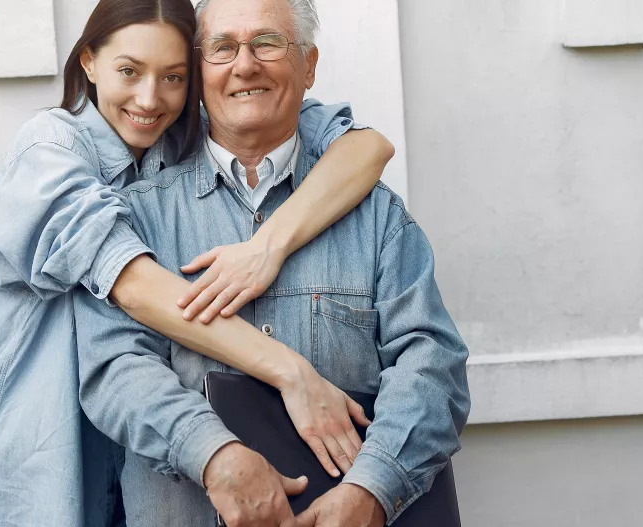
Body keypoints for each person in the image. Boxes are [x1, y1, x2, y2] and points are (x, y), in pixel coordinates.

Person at [0, 0, 395, 526]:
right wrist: (291, 373)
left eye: (173, 76)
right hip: (18, 475)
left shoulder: (170, 143)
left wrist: (270, 245)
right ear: (88, 62)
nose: (149, 98)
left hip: (120, 483)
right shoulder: (47, 153)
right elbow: (137, 289)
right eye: (128, 71)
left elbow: (366, 149)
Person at [72, 0, 471, 525]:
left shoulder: (376, 215)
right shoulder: (137, 215)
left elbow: (432, 361)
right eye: (222, 48)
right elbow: (114, 370)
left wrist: (373, 489)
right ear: (198, 72)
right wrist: (216, 457)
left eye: (267, 42)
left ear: (309, 65)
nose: (245, 65)